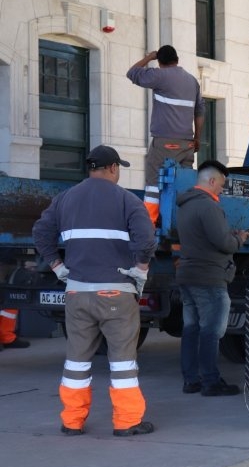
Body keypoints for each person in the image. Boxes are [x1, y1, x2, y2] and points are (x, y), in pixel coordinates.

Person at [32, 145, 157, 437]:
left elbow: (40, 232)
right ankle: (126, 422)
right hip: (116, 292)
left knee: (76, 360)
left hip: (77, 293)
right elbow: (146, 240)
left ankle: (72, 421)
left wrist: (57, 266)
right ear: (113, 168)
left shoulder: (65, 198)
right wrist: (140, 270)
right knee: (123, 361)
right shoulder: (127, 199)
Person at [176, 159, 249, 396]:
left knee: (191, 329)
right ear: (211, 181)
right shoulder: (209, 206)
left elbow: (205, 237)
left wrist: (228, 236)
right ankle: (211, 382)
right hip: (208, 277)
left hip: (188, 275)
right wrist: (239, 239)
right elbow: (224, 243)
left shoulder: (186, 205)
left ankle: (191, 380)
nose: (222, 189)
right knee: (211, 330)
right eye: (221, 184)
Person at [126, 46, 206, 224]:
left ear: (160, 62)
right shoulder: (192, 81)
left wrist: (149, 57)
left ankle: (150, 224)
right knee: (183, 183)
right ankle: (182, 222)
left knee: (154, 183)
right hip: (187, 144)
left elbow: (132, 73)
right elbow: (200, 111)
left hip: (164, 143)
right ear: (177, 59)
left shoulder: (159, 75)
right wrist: (197, 138)